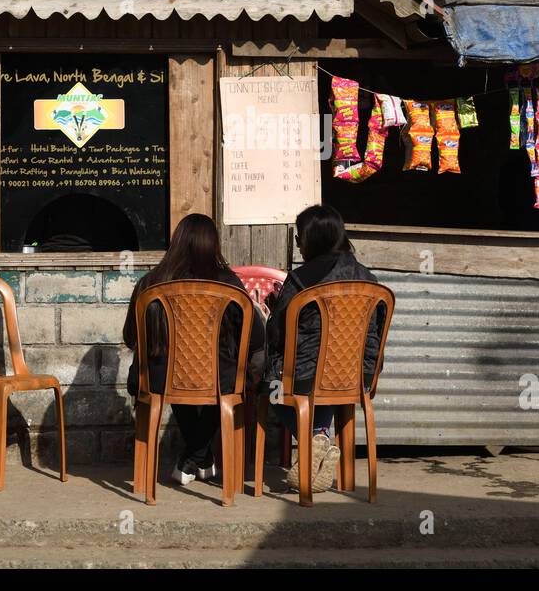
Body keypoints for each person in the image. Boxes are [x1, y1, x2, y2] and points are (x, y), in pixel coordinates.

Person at [122, 213, 263, 486]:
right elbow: (255, 339)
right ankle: (201, 456)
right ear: (213, 244)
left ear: (177, 242)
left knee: (176, 375)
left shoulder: (150, 282)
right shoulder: (228, 283)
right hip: (219, 378)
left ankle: (196, 456)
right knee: (222, 380)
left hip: (159, 377)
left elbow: (131, 336)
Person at [259, 204, 385, 492]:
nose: (299, 245)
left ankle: (316, 434)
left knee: (270, 385)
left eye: (299, 238)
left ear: (311, 239)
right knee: (326, 377)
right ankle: (322, 441)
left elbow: (278, 334)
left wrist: (272, 311)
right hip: (357, 377)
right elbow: (374, 333)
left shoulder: (302, 279)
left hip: (306, 376)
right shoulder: (369, 279)